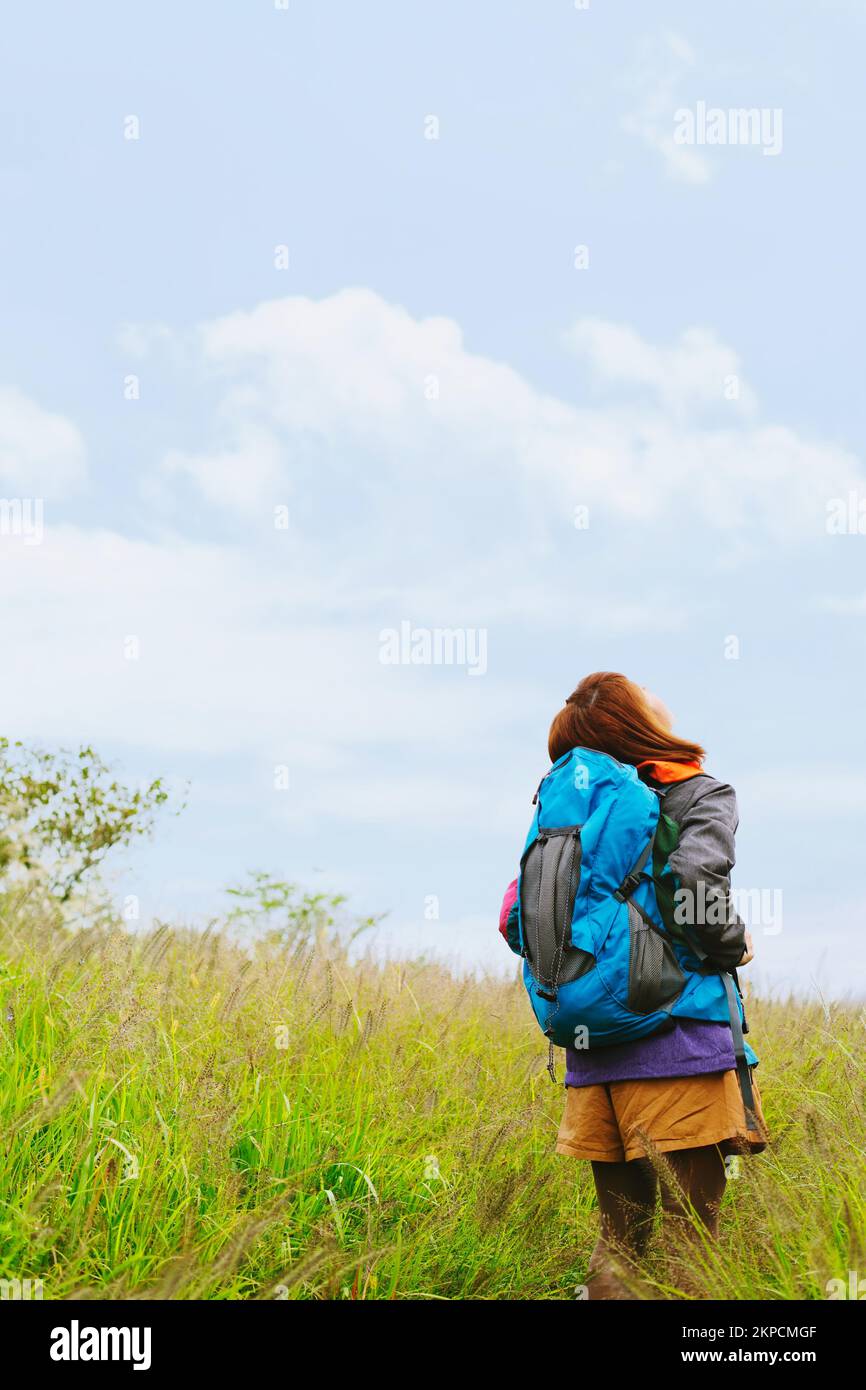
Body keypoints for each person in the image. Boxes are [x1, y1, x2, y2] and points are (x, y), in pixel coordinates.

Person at [499, 671, 768, 1299]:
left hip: (593, 1050)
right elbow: (696, 882)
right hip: (676, 1035)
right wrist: (735, 945)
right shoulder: (697, 791)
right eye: (646, 694)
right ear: (635, 720)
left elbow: (517, 918)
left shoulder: (567, 810)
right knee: (690, 1238)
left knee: (619, 1239)